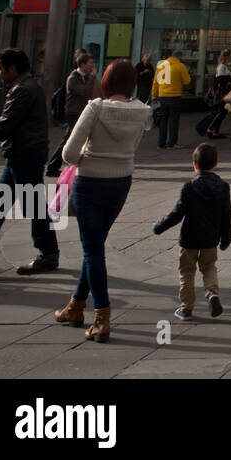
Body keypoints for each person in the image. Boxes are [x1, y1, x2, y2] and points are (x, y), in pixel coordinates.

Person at [50, 58, 152, 342]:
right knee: (94, 246)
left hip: (90, 183)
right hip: (120, 183)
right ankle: (75, 306)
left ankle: (102, 318)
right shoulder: (142, 111)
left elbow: (68, 155)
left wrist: (88, 156)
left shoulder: (95, 107)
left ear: (106, 81)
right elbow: (132, 148)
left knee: (93, 250)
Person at [0, 49, 60, 279]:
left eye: (0, 68)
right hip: (22, 156)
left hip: (24, 158)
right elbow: (8, 126)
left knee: (20, 209)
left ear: (12, 69)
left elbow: (4, 127)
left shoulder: (22, 90)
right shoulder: (27, 87)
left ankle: (47, 254)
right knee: (5, 210)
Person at [152, 142, 231, 321]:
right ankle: (212, 293)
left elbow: (177, 213)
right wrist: (226, 238)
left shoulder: (189, 187)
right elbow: (227, 215)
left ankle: (186, 308)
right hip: (211, 238)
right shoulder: (223, 187)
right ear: (216, 163)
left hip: (189, 238)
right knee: (209, 267)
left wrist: (160, 226)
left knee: (187, 272)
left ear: (194, 164)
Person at [47, 51, 101, 176]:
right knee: (70, 140)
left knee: (70, 140)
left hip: (80, 112)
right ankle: (53, 167)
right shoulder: (73, 78)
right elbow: (84, 92)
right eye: (90, 63)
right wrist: (92, 77)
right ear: (82, 64)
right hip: (73, 113)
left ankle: (54, 167)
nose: (93, 66)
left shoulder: (85, 77)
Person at [150, 49, 192, 150]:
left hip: (162, 96)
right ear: (180, 57)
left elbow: (155, 82)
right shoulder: (180, 66)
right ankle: (172, 143)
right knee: (173, 121)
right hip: (174, 96)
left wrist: (154, 96)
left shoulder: (162, 66)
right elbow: (187, 81)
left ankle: (161, 143)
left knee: (163, 121)